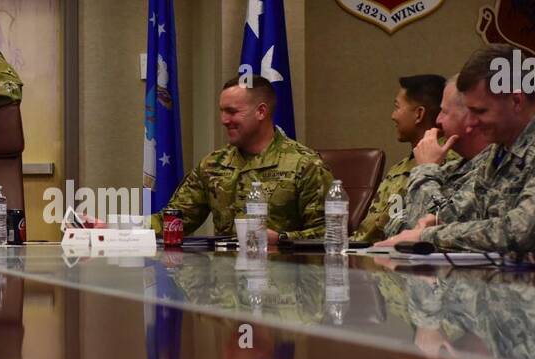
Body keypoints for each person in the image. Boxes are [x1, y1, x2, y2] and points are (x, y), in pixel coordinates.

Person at [386, 44, 535, 255]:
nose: (471, 124)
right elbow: (461, 217)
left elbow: (520, 234)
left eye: (480, 111)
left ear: (516, 101)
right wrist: (439, 222)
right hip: (493, 283)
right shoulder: (498, 151)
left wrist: (429, 236)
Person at [148, 76, 332, 244]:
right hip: (224, 275)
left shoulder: (304, 164)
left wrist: (281, 239)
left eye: (231, 111)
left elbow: (329, 233)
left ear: (261, 112)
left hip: (281, 274)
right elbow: (173, 220)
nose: (224, 120)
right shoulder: (213, 165)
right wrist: (125, 230)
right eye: (222, 111)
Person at [385, 75, 494, 240]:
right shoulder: (451, 168)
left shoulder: (491, 171)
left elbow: (440, 230)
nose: (438, 120)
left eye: (444, 112)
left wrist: (425, 170)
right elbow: (394, 229)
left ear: (470, 118)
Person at [353, 74, 453, 243]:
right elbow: (370, 231)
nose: (393, 116)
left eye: (397, 107)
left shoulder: (451, 164)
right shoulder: (399, 169)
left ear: (419, 114)